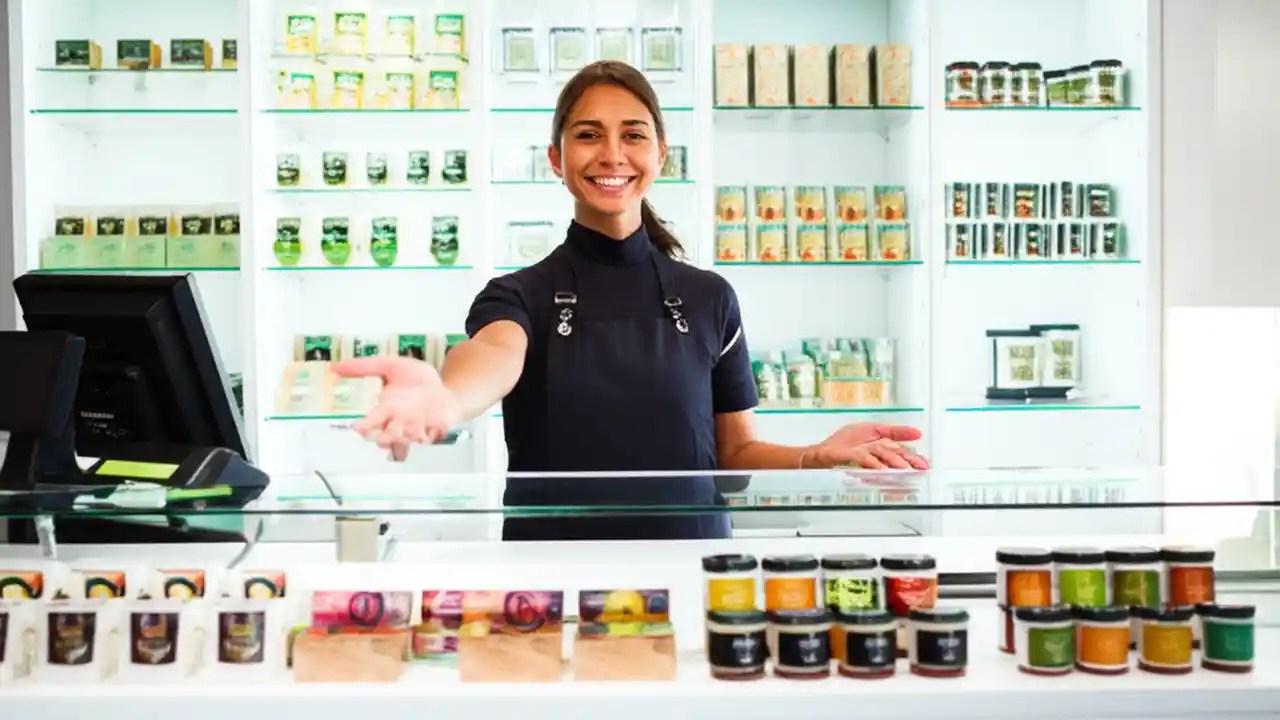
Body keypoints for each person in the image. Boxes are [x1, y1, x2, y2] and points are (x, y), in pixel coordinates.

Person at [334, 61, 928, 541]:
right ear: (556, 160)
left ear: (660, 155)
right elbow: (493, 355)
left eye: (633, 135)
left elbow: (735, 453)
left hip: (692, 571)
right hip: (556, 583)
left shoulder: (709, 297)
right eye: (588, 135)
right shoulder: (519, 294)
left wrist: (819, 457)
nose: (612, 155)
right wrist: (445, 396)